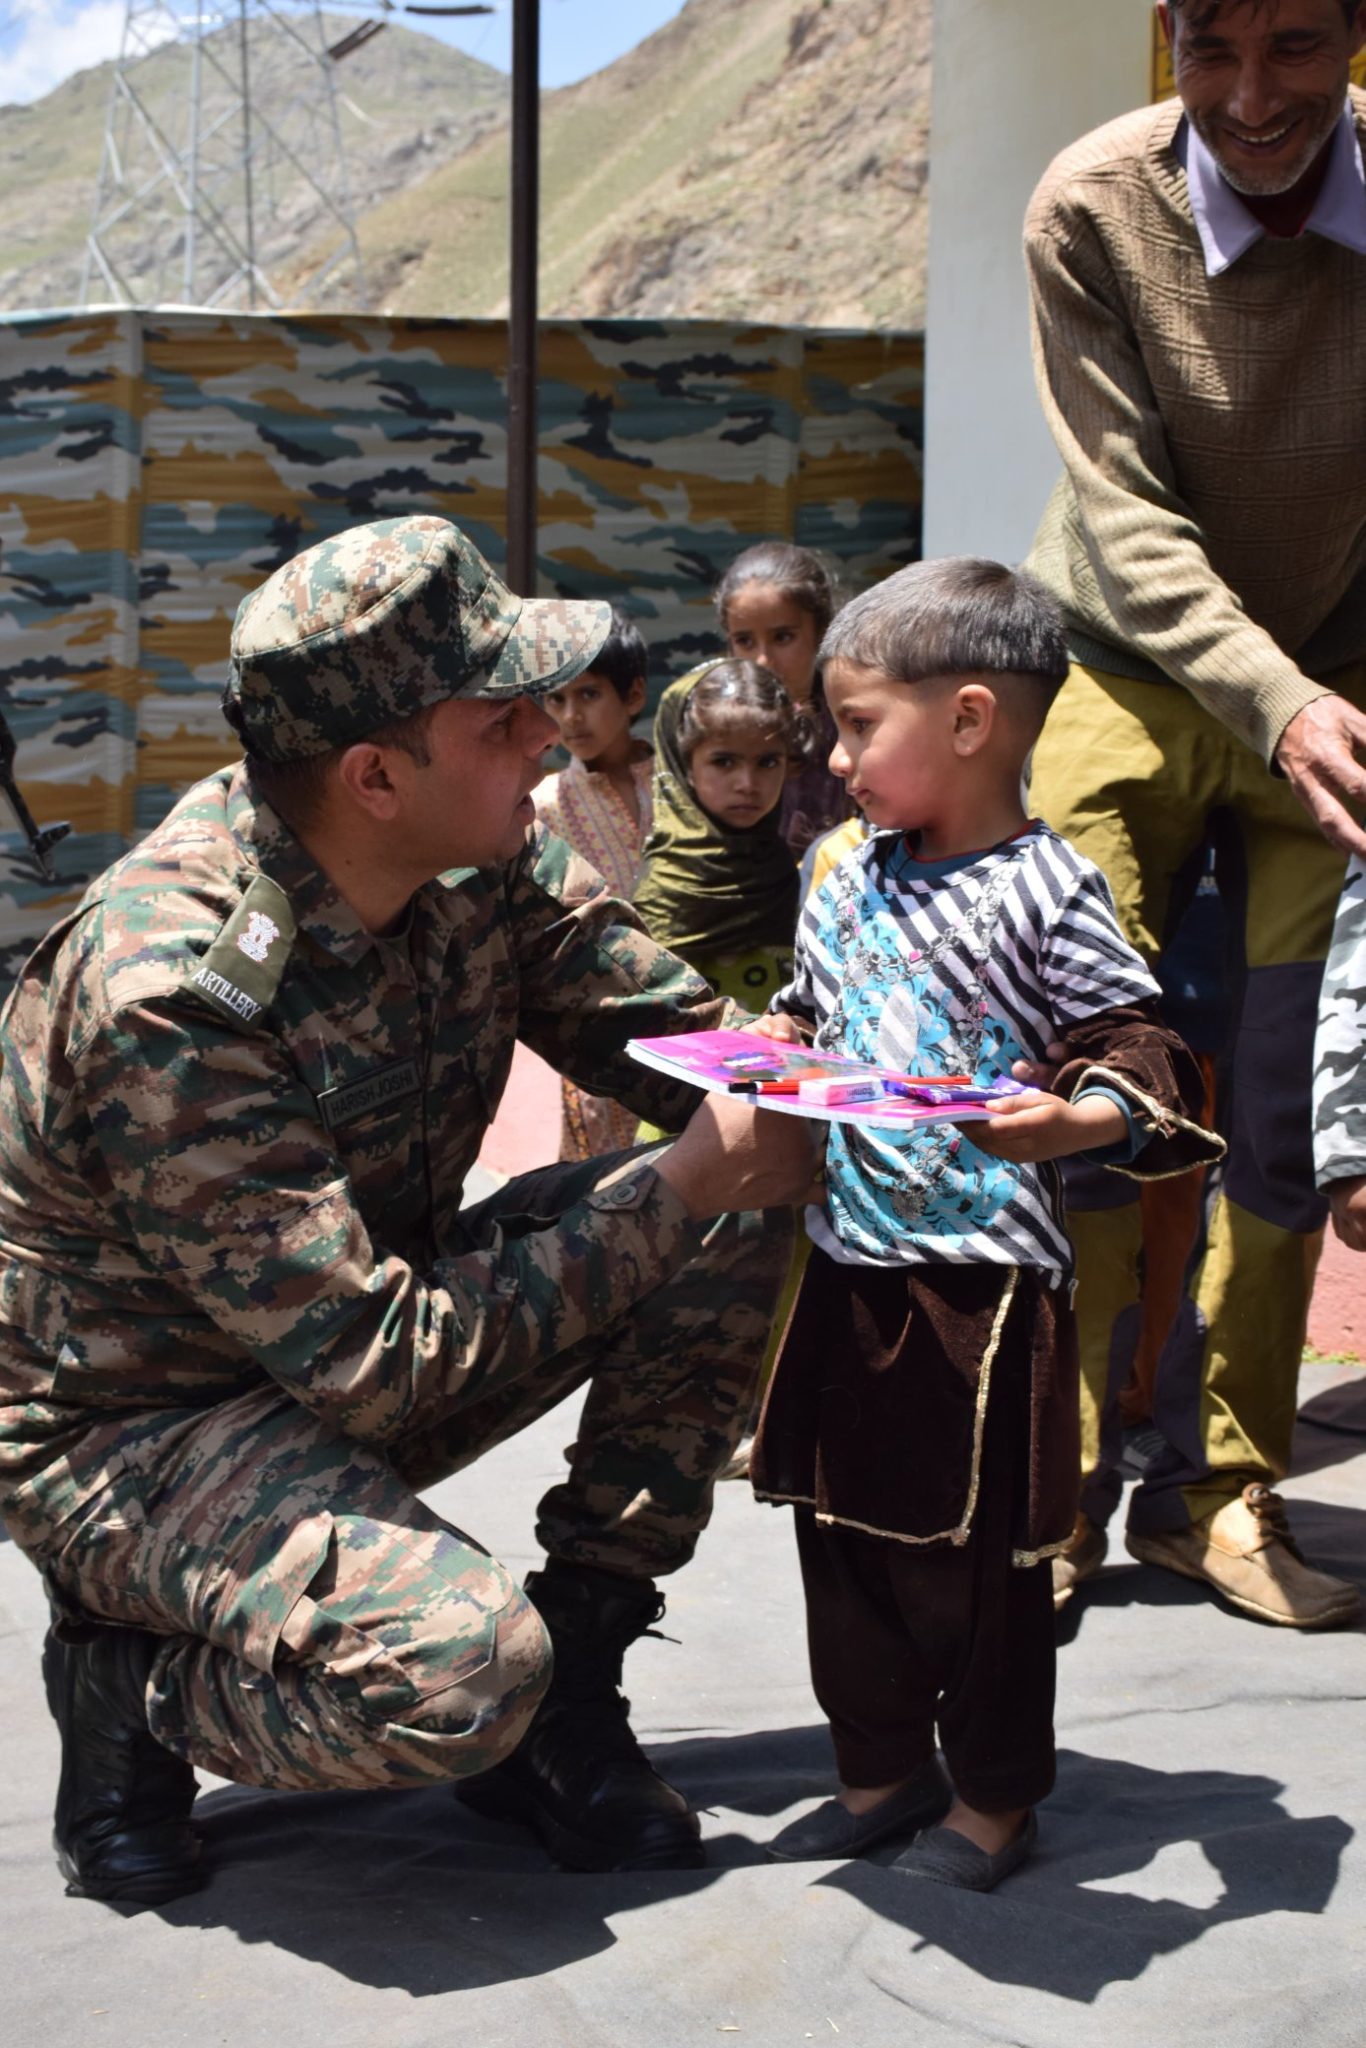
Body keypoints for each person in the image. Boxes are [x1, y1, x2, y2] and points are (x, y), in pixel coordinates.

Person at [0, 514, 815, 1906]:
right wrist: (684, 1182)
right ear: (376, 774)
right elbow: (377, 1370)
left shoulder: (478, 852)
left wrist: (909, 1087)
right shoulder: (176, 991)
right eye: (502, 720)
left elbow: (690, 1046)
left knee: (731, 1203)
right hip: (136, 1430)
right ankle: (131, 1684)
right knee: (459, 1677)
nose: (550, 742)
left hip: (368, 1322)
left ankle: (581, 1672)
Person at [748, 559, 1218, 1890]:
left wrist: (1074, 1121)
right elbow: (808, 1008)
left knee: (980, 1566)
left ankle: (996, 1803)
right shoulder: (842, 874)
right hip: (846, 1262)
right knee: (838, 1539)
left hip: (984, 1291)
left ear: (968, 719)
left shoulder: (1044, 891)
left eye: (856, 727)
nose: (834, 760)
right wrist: (770, 1048)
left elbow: (1141, 1047)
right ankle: (880, 1772)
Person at [1022, 0, 1366, 1627]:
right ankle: (1061, 1476)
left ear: (1358, 33)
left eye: (1295, 44)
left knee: (1292, 1107)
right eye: (1210, 45)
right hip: (1131, 661)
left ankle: (1221, 1493)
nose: (1250, 95)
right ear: (1164, 35)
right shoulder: (1089, 207)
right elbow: (1129, 517)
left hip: (1341, 678)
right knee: (1088, 1081)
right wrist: (1269, 696)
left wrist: (1315, 700)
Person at [535, 606, 654, 1160]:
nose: (570, 717)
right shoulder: (542, 805)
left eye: (588, 695)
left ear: (632, 696)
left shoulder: (681, 782)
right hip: (601, 1014)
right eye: (555, 700)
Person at [634, 659, 804, 1012]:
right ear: (686, 766)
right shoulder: (669, 882)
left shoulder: (779, 867)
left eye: (768, 762)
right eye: (724, 761)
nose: (747, 784)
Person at [716, 542, 852, 858]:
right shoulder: (714, 731)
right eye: (744, 641)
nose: (762, 660)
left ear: (821, 632)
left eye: (782, 637)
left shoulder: (854, 724)